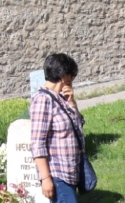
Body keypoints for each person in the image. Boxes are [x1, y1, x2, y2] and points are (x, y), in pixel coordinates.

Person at [31, 53, 92, 202]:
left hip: (71, 171)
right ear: (64, 75)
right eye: (72, 76)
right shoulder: (42, 100)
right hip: (58, 175)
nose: (72, 80)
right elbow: (37, 143)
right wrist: (46, 179)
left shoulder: (61, 98)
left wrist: (73, 104)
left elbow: (78, 125)